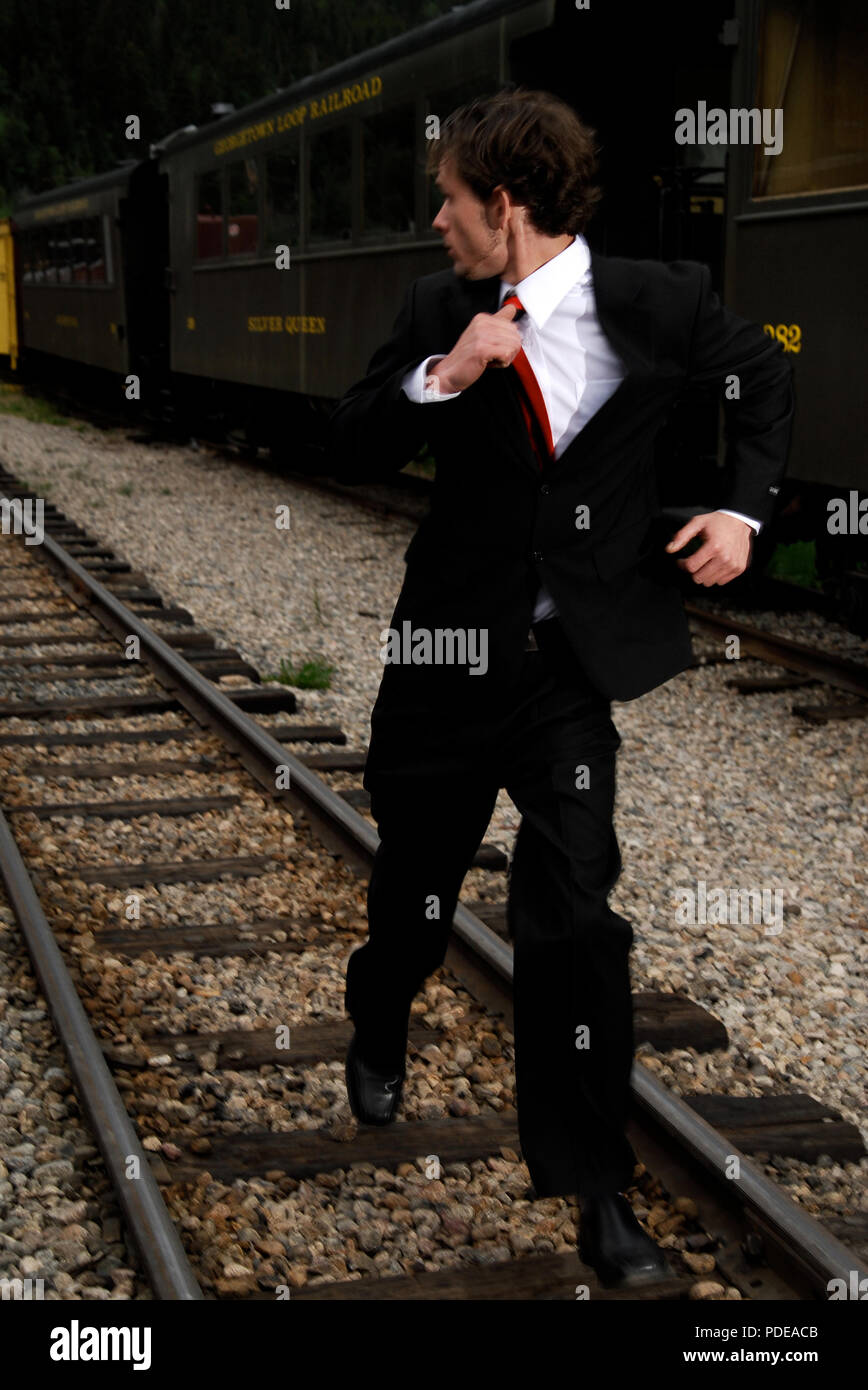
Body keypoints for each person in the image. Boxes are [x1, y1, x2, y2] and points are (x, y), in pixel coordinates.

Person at [326, 87, 793, 1288]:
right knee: (415, 908)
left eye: (447, 198)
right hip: (443, 666)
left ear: (507, 203)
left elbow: (763, 385)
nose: (435, 219)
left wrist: (742, 510)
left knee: (576, 922)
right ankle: (380, 1011)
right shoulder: (442, 306)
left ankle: (597, 1190)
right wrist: (443, 372)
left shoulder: (661, 300)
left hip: (564, 677)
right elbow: (347, 442)